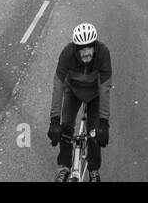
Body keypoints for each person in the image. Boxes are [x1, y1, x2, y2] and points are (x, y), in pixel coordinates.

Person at [48, 23, 113, 182]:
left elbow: (105, 88)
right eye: (82, 50)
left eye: (89, 48)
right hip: (74, 91)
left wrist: (104, 123)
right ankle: (64, 167)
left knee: (94, 134)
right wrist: (54, 120)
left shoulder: (103, 53)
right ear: (76, 49)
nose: (86, 53)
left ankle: (93, 170)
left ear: (95, 47)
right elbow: (58, 85)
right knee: (65, 128)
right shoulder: (67, 54)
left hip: (95, 94)